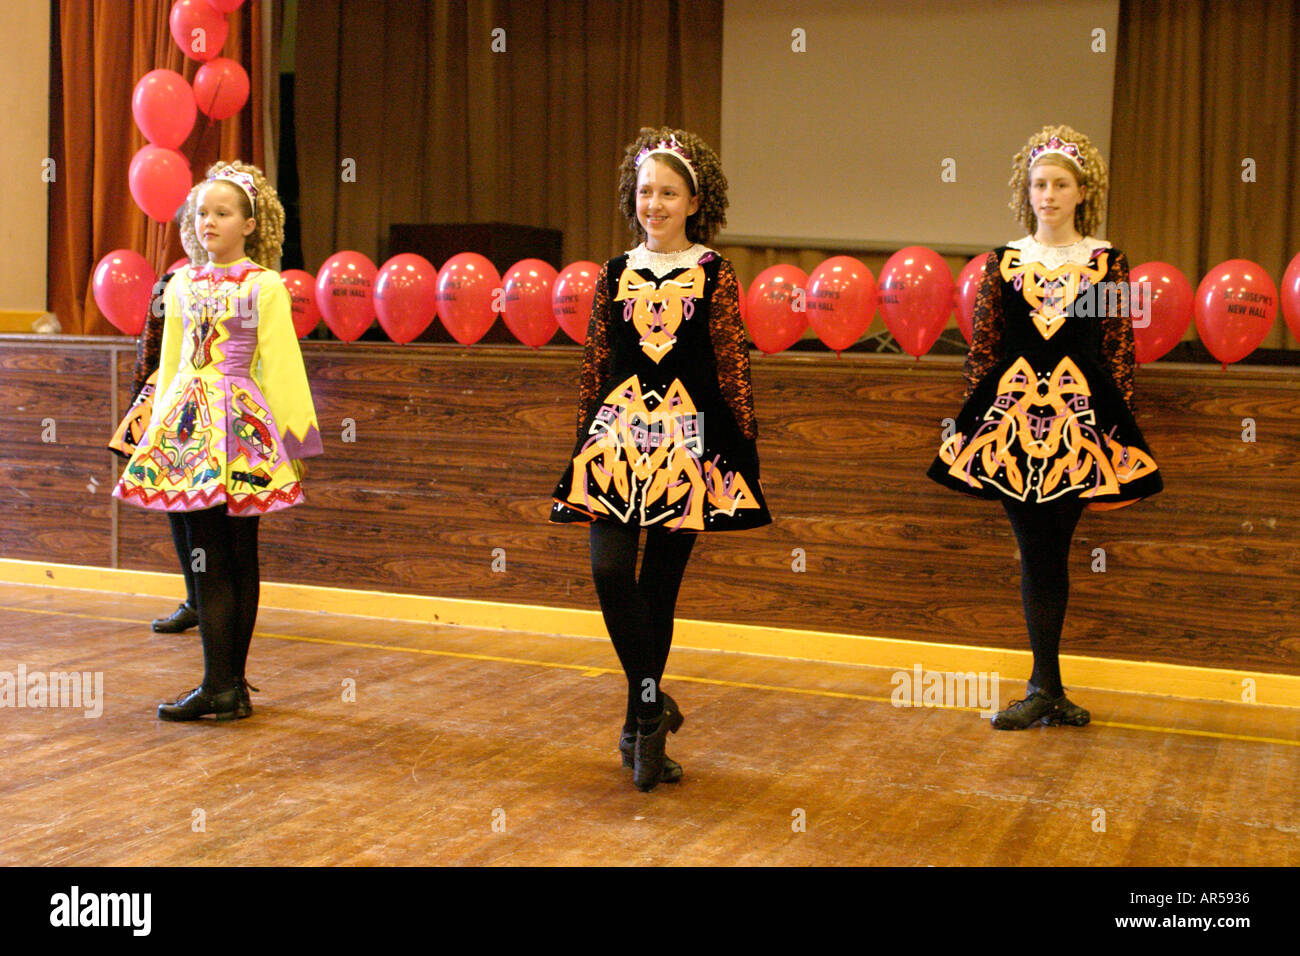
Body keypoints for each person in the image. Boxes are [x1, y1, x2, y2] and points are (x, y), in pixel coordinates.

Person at [551, 127, 771, 790]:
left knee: (658, 591)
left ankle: (638, 733)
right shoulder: (615, 273)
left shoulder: (713, 273)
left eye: (669, 192)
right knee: (611, 570)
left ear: (695, 200)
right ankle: (652, 705)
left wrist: (745, 451)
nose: (656, 203)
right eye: (646, 191)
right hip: (615, 445)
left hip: (690, 448)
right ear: (633, 197)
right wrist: (583, 441)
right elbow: (596, 364)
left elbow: (731, 364)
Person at [927, 125, 1163, 730]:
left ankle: (1047, 687)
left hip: (1081, 427)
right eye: (1038, 184)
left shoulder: (1107, 261)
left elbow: (1116, 350)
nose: (1048, 194)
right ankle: (1044, 687)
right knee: (1035, 551)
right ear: (1025, 192)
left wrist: (1118, 431)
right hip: (1012, 424)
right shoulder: (1003, 263)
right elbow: (984, 349)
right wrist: (972, 424)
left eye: (1060, 184)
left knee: (1053, 551)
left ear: (1083, 191)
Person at [113, 160, 323, 721]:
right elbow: (172, 361)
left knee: (231, 555)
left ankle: (223, 683)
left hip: (238, 430)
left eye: (222, 213)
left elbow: (282, 367)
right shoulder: (181, 282)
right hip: (185, 427)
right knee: (203, 553)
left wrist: (297, 446)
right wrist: (152, 434)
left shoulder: (265, 285)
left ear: (250, 224)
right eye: (201, 212)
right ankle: (225, 683)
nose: (208, 222)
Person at [109, 202, 199, 634]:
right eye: (187, 228)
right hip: (166, 401)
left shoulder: (248, 284)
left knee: (208, 512)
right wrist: (135, 416)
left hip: (212, 403)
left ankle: (209, 597)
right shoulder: (169, 285)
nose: (194, 234)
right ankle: (194, 597)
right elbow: (148, 353)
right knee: (174, 505)